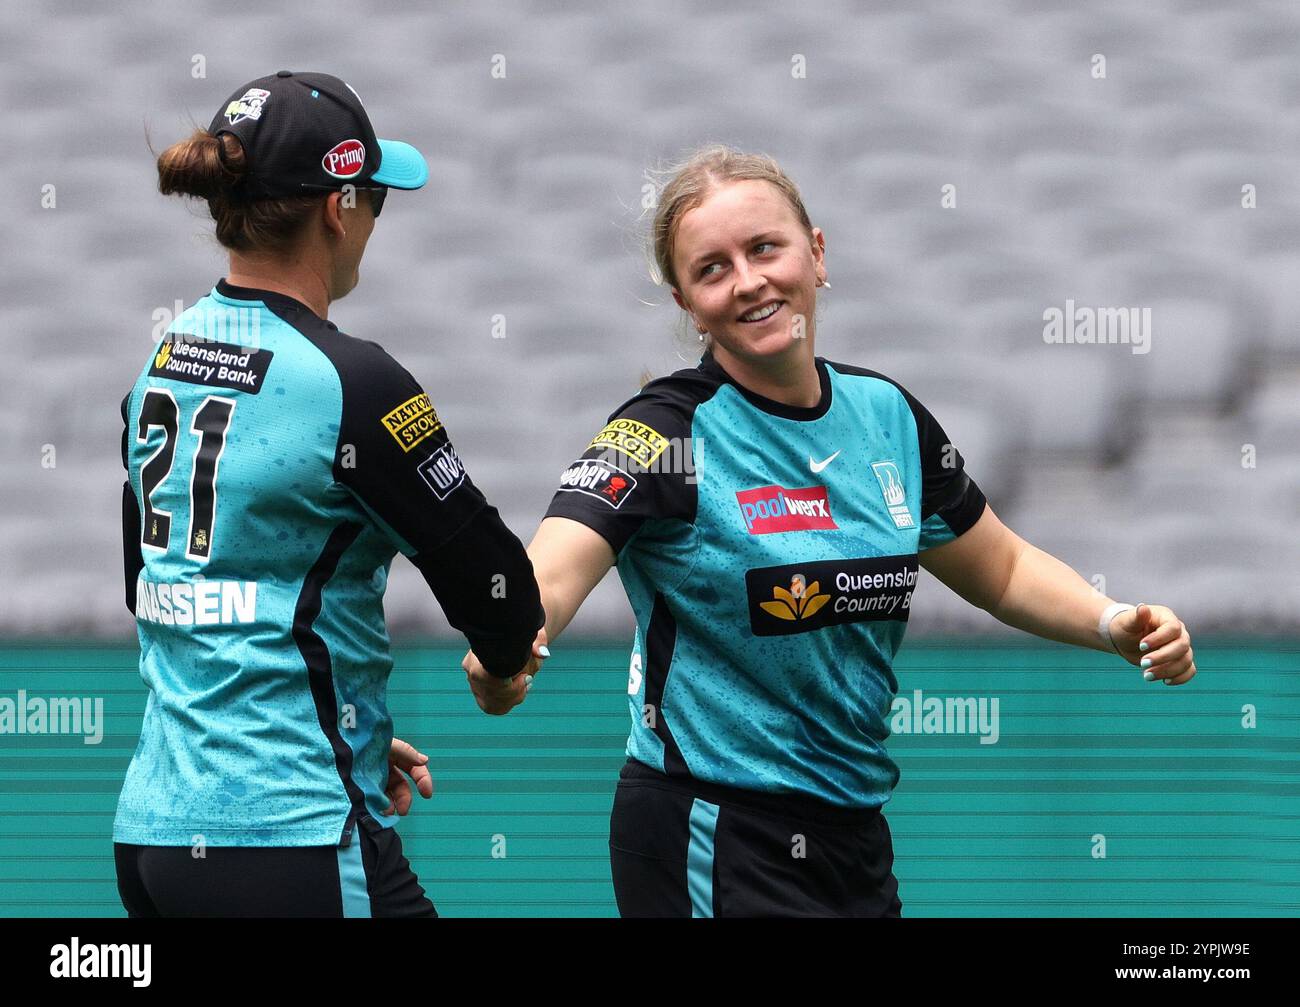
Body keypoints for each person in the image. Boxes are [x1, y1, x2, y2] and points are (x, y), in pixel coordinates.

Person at [462, 145, 1197, 918]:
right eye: (712, 269)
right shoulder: (664, 433)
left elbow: (1005, 569)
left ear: (816, 252)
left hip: (854, 835)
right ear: (686, 302)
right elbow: (553, 566)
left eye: (765, 248)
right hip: (712, 830)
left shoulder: (888, 417)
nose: (748, 280)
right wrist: (510, 644)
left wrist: (1112, 621)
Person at [116, 71, 545, 918]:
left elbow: (157, 591)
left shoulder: (159, 362)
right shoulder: (357, 382)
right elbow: (500, 593)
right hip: (292, 840)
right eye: (378, 197)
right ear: (337, 208)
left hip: (154, 838)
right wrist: (501, 669)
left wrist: (350, 730)